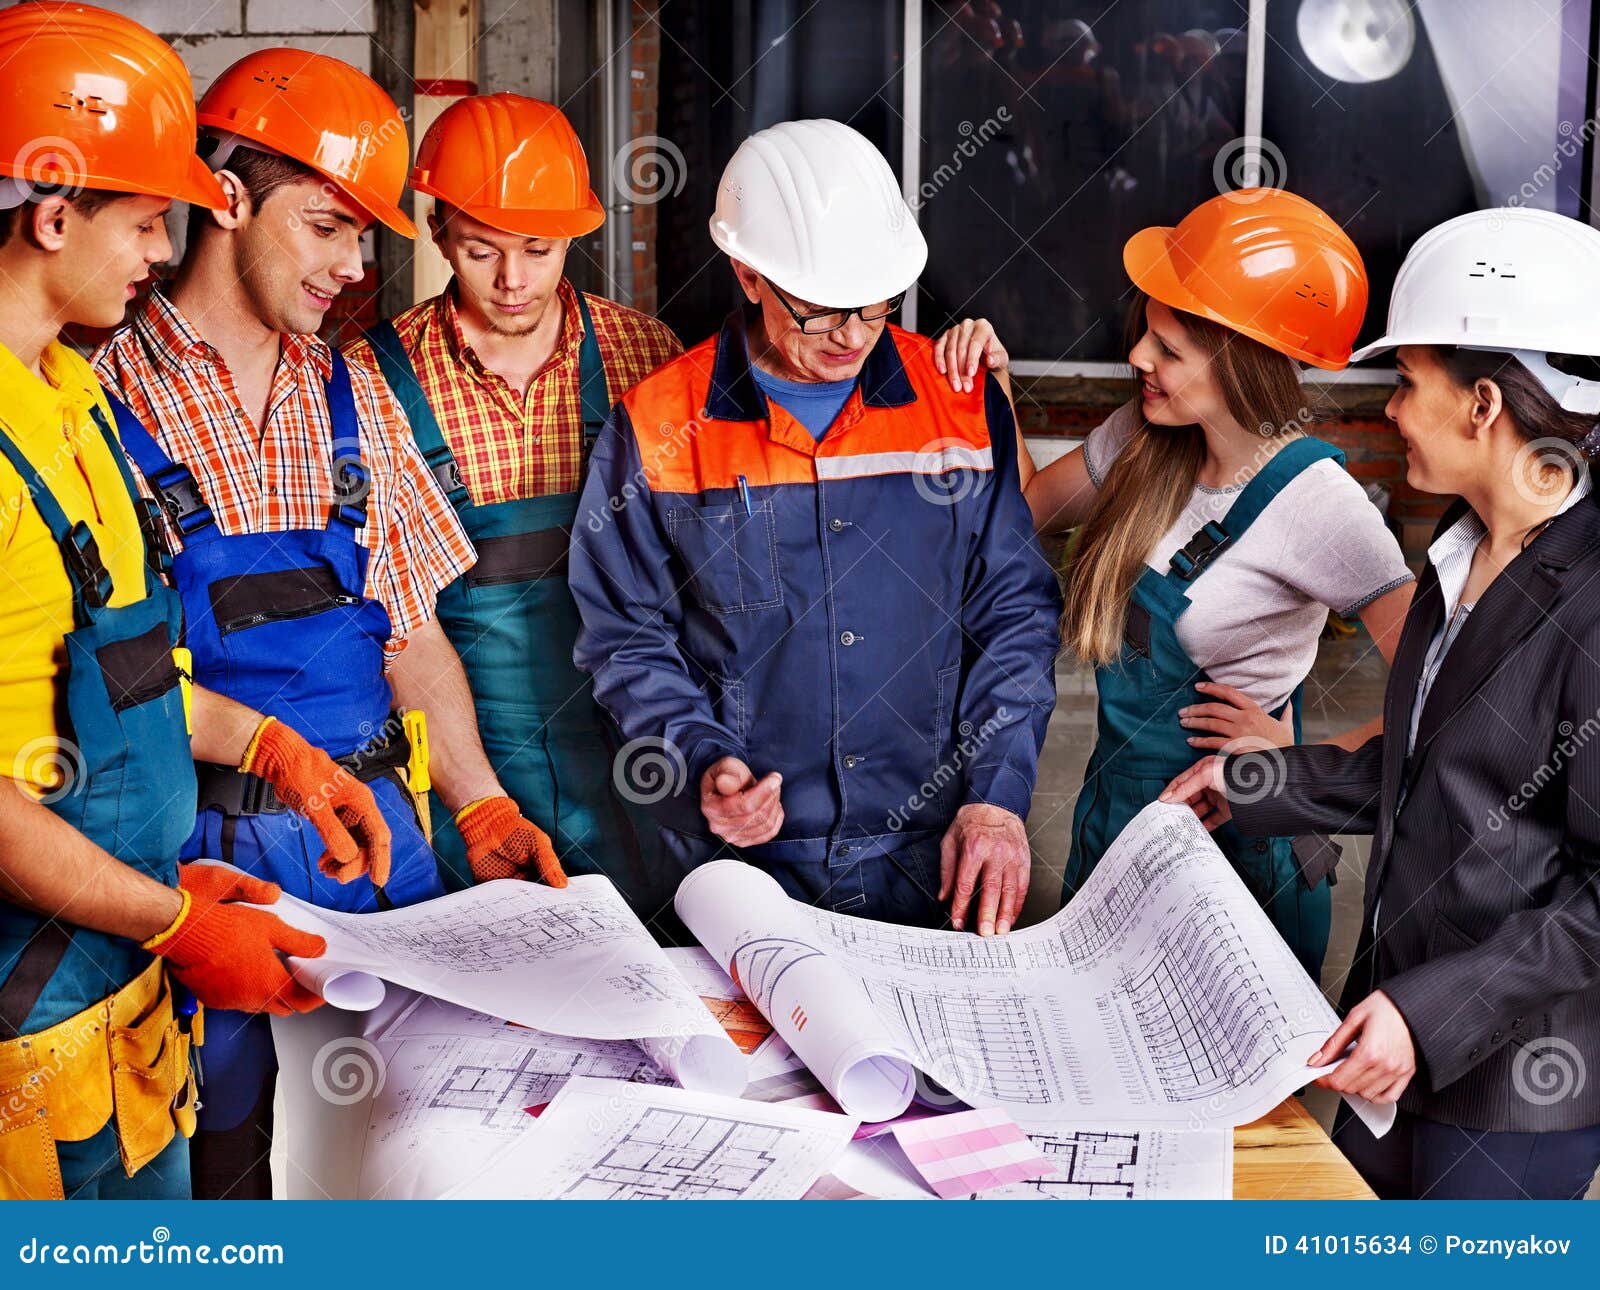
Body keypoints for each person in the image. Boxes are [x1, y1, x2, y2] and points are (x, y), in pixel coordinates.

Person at [92, 50, 565, 1199]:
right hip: (203, 880)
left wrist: (480, 802)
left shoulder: (353, 394)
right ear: (226, 198)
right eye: (327, 228)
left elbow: (410, 634)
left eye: (366, 236)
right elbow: (99, 683)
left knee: (405, 1167)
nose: (356, 267)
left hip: (382, 865)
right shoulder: (100, 392)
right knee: (231, 1177)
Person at [1164, 207, 1600, 1199]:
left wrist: (1429, 1011)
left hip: (1511, 1091)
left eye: (1407, 384)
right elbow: (1437, 772)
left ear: (1482, 403)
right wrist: (1255, 782)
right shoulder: (1460, 553)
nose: (1389, 412)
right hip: (1389, 1042)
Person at [0, 2, 349, 1200]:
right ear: (53, 214)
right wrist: (177, 923)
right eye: (147, 220)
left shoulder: (77, 401)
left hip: (127, 1022)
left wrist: (275, 750)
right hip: (23, 1053)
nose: (162, 253)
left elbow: (120, 683)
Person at [570, 120, 1061, 937]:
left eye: (875, 311)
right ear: (748, 275)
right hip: (743, 862)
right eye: (824, 314)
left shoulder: (960, 409)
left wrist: (995, 797)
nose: (854, 339)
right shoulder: (660, 424)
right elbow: (626, 633)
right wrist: (701, 763)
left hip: (930, 848)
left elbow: (1013, 616)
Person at [933, 190, 1415, 977]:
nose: (1138, 361)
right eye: (1145, 337)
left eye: (1169, 348)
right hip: (1115, 821)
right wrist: (996, 389)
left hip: (1238, 855)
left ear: (1240, 360)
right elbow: (1020, 514)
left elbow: (1447, 693)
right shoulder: (1144, 436)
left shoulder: (1321, 504)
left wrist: (1303, 760)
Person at [346, 94, 682, 921]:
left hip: (638, 741)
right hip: (472, 759)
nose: (512, 281)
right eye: (480, 250)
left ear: (573, 236)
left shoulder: (647, 354)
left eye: (538, 250)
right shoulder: (370, 377)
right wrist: (476, 794)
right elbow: (385, 613)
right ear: (436, 234)